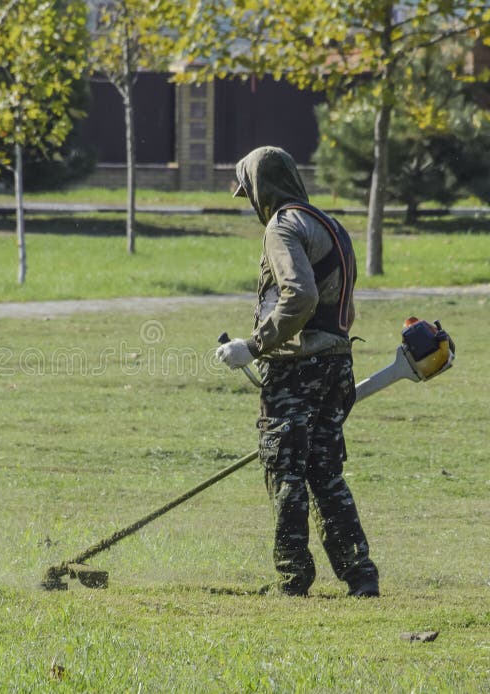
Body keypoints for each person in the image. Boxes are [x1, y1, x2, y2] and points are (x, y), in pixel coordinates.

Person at [216, 146, 379, 598]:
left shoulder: (282, 226)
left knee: (284, 468)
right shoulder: (330, 225)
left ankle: (293, 578)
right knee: (325, 471)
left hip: (296, 370)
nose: (250, 203)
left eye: (248, 192)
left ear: (260, 189)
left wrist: (252, 346)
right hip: (337, 365)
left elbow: (301, 295)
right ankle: (360, 574)